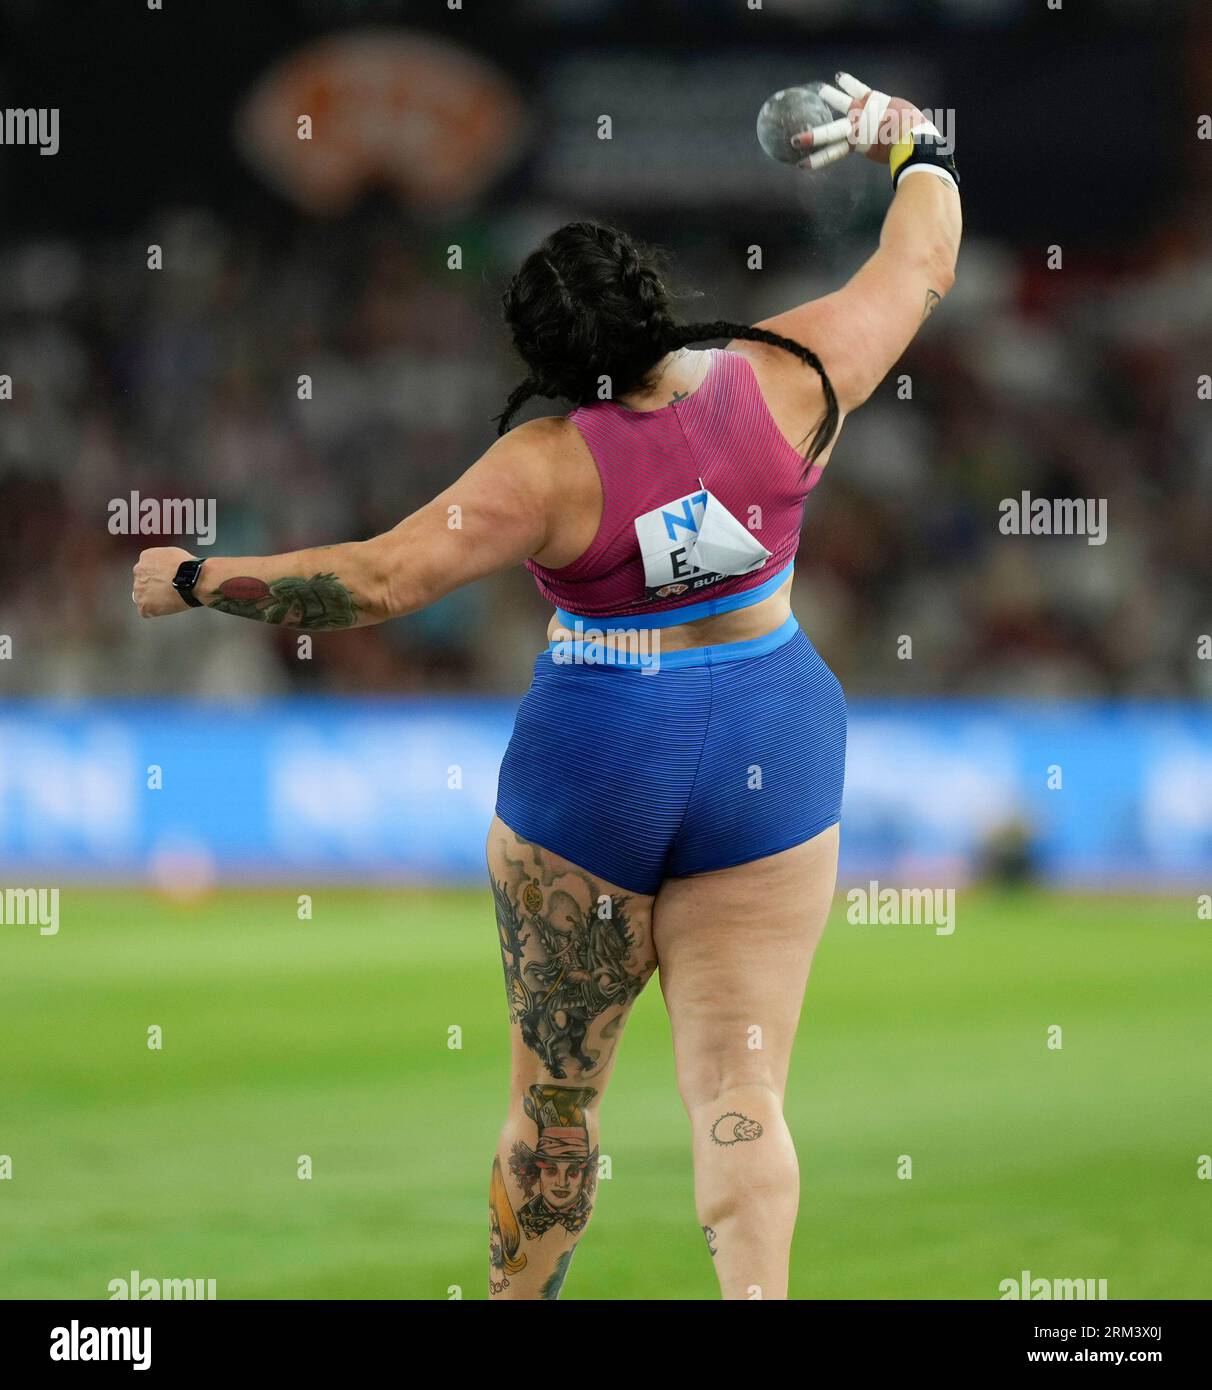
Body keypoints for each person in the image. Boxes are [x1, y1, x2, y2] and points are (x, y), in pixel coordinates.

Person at [133, 74, 962, 1300]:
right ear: (653, 300)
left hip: (601, 748)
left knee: (554, 1106)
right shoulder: (785, 378)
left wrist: (200, 578)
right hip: (774, 736)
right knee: (741, 1089)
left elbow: (371, 582)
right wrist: (910, 140)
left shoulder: (544, 467)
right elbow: (921, 265)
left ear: (542, 353)